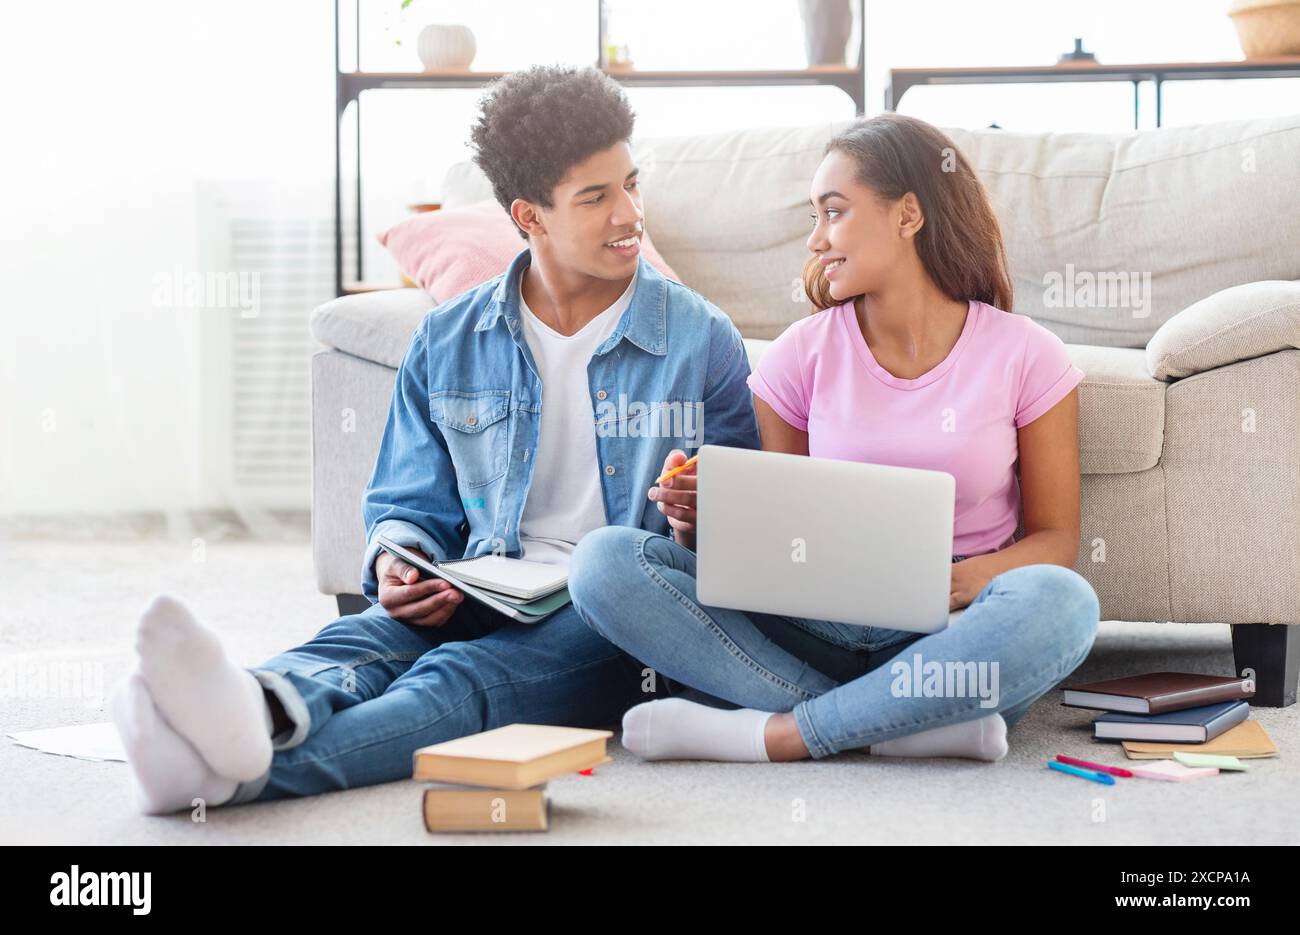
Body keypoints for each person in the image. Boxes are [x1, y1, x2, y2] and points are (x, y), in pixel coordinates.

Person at [109, 65, 758, 814]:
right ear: (531, 214)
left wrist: (698, 513)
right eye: (597, 196)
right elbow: (406, 498)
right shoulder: (450, 337)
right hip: (485, 581)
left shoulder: (699, 338)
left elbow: (740, 541)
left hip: (610, 618)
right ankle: (250, 704)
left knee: (457, 680)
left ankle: (235, 773)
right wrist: (396, 559)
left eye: (632, 185)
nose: (630, 214)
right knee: (354, 646)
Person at [568, 113, 1100, 765]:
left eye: (834, 212)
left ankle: (783, 730)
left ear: (908, 215)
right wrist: (699, 521)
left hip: (949, 633)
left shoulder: (1027, 354)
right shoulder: (799, 356)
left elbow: (1056, 540)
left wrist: (957, 583)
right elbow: (766, 547)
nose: (816, 240)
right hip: (813, 621)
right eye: (814, 218)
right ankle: (900, 726)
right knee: (604, 562)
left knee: (1065, 603)